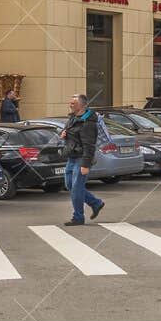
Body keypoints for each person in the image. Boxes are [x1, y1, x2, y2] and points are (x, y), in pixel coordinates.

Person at [60, 93, 104, 226]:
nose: (70, 105)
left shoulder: (88, 123)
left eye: (73, 103)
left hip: (81, 159)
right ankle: (95, 203)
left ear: (82, 105)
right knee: (70, 186)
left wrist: (85, 164)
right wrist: (63, 134)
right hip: (72, 157)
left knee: (76, 189)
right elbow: (70, 132)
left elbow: (89, 146)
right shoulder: (73, 117)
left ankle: (78, 217)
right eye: (70, 102)